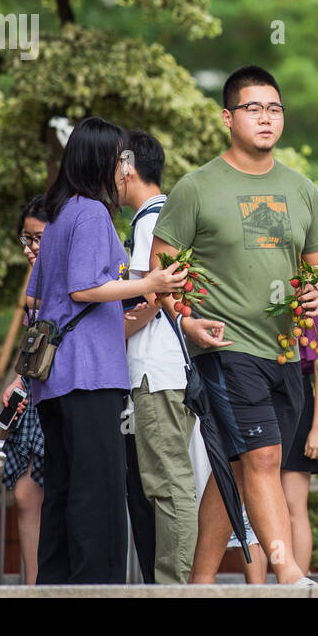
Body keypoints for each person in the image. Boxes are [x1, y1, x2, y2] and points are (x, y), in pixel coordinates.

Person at [152, 65, 318, 586]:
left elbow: (314, 267)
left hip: (285, 353)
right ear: (228, 118)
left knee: (234, 466)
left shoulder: (302, 190)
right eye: (254, 108)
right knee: (264, 457)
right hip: (225, 348)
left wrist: (313, 293)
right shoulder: (196, 188)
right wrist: (186, 325)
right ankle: (288, 571)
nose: (267, 118)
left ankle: (199, 585)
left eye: (275, 108)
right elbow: (161, 275)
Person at [27, 117, 189, 584]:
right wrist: (150, 282)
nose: (125, 169)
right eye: (121, 158)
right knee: (97, 490)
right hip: (90, 370)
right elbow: (84, 288)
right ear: (102, 160)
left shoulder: (57, 215)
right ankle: (97, 589)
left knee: (62, 488)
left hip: (55, 375)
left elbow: (39, 293)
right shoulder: (93, 212)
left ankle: (55, 587)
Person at [112, 129, 201, 585]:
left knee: (167, 485)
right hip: (169, 369)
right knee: (165, 483)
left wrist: (109, 331)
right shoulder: (160, 215)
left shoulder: (153, 222)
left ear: (127, 168)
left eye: (113, 166)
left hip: (159, 370)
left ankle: (173, 588)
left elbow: (152, 300)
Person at [0, 196, 50, 583]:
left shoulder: (72, 277)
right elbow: (36, 339)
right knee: (25, 493)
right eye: (26, 239)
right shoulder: (37, 279)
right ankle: (32, 587)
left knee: (37, 493)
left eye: (38, 239)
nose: (31, 248)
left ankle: (45, 586)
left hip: (62, 396)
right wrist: (19, 376)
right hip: (34, 391)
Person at [281, 299, 318, 575]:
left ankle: (296, 586)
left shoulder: (311, 301)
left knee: (294, 505)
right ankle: (253, 589)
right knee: (250, 506)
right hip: (253, 388)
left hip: (297, 396)